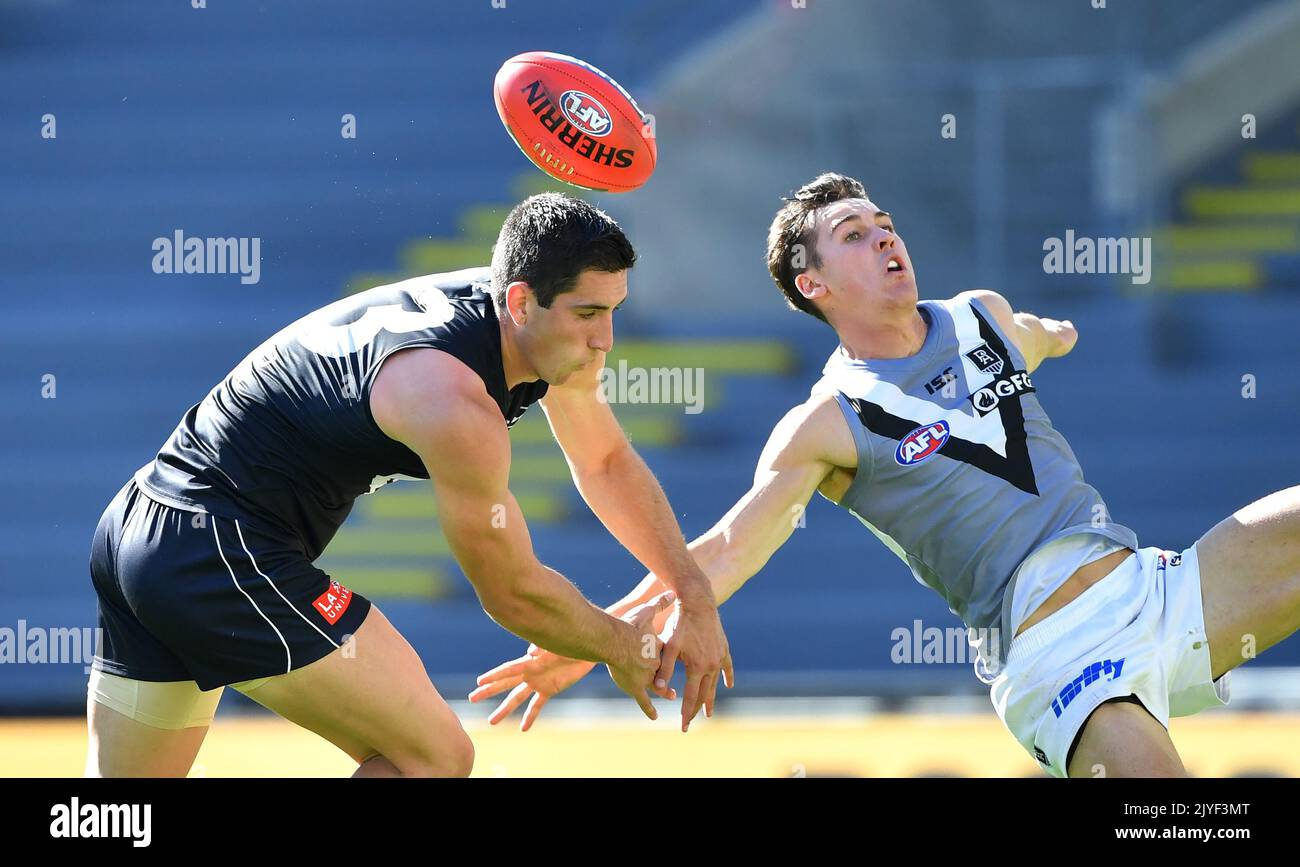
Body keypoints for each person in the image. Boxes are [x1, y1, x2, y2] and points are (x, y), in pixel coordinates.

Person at [472, 172, 1300, 778]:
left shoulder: (984, 315)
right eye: (855, 235)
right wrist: (586, 645)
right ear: (815, 284)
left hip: (1156, 592)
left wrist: (1055, 331)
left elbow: (1039, 334)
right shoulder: (826, 423)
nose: (885, 238)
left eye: (884, 223)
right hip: (1059, 662)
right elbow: (720, 552)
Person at [86, 192, 732, 778]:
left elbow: (605, 460)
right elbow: (512, 594)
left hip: (144, 530)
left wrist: (693, 595)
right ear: (519, 300)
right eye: (589, 314)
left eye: (614, 311)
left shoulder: (530, 321)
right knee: (430, 756)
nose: (605, 340)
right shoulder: (452, 399)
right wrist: (626, 646)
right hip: (217, 551)